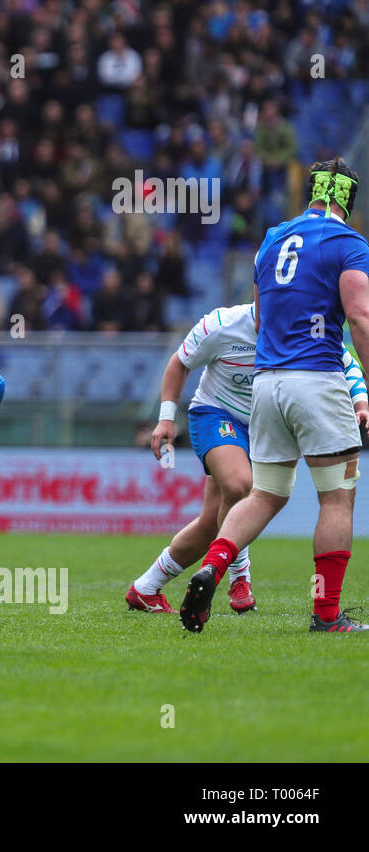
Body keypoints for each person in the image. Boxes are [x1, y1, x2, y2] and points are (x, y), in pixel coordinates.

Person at [181, 159, 369, 633]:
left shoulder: (272, 239)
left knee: (265, 494)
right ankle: (326, 614)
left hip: (267, 385)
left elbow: (263, 320)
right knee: (337, 499)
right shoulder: (349, 244)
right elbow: (360, 316)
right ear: (348, 198)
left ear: (311, 194)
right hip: (318, 379)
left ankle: (213, 567)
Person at [127, 302, 368, 613]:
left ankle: (145, 588)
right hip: (216, 414)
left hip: (263, 424)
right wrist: (165, 418)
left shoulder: (300, 325)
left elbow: (347, 363)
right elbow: (179, 363)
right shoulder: (221, 324)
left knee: (210, 526)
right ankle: (241, 578)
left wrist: (360, 401)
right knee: (241, 485)